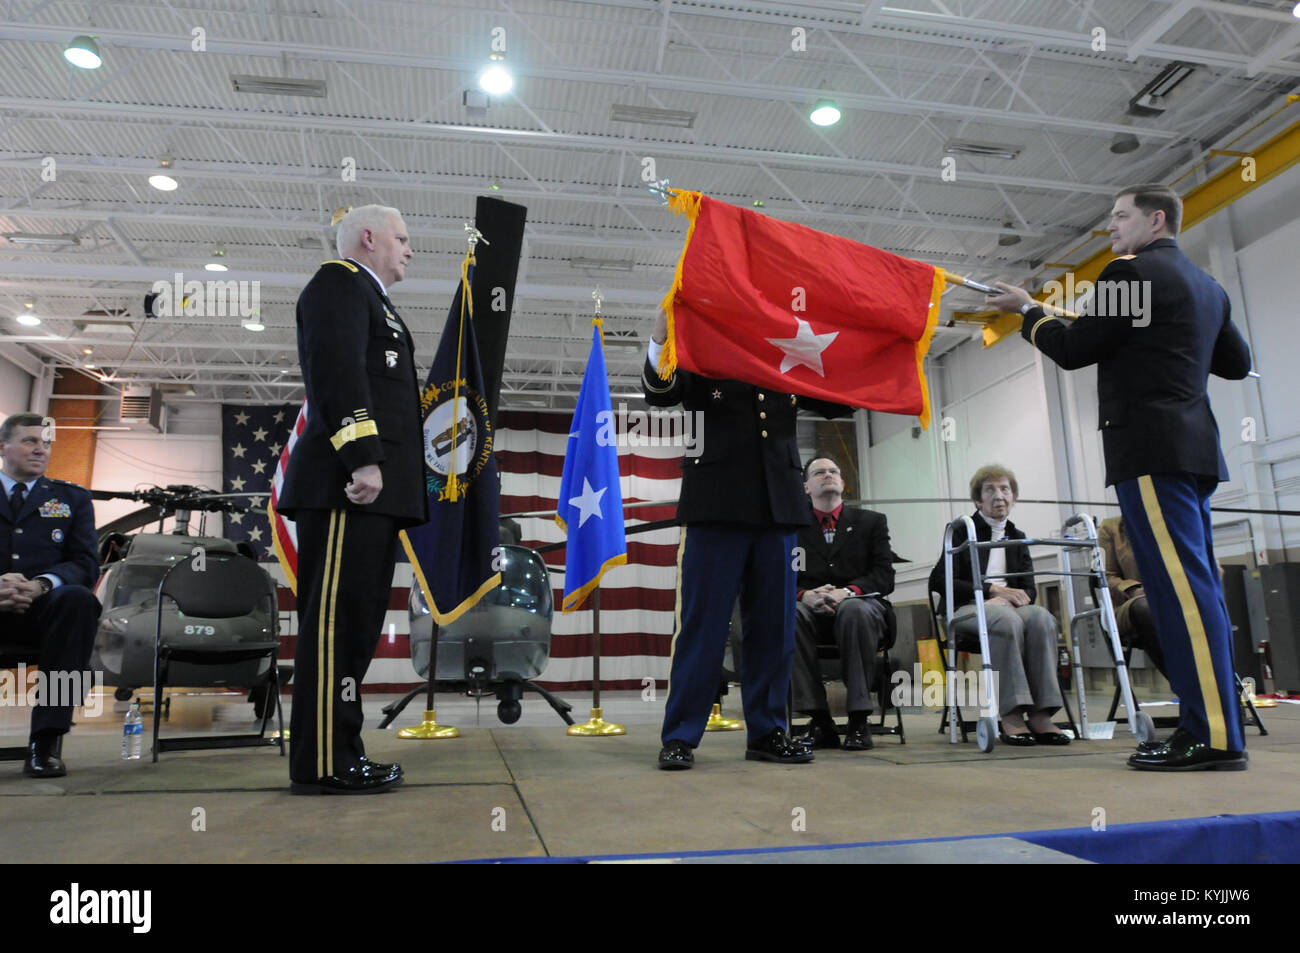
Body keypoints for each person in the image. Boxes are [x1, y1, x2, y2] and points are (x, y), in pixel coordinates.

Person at [990, 182, 1251, 771]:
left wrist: (1028, 313)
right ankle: (1209, 727)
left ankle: (1212, 736)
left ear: (1156, 219)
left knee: (1180, 594)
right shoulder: (1207, 286)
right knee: (1191, 588)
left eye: (1120, 216)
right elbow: (1234, 364)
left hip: (1151, 450)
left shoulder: (1128, 275)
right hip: (1197, 450)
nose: (1110, 227)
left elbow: (1076, 348)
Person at [646, 307, 847, 769]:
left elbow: (840, 402)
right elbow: (660, 393)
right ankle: (681, 735)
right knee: (703, 628)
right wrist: (660, 341)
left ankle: (769, 732)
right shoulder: (702, 350)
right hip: (716, 506)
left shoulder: (789, 358)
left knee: (773, 630)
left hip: (777, 510)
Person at [277, 204, 427, 794]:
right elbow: (336, 372)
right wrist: (362, 454)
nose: (410, 249)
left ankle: (342, 751)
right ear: (369, 238)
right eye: (402, 237)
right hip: (348, 487)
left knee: (357, 627)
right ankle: (323, 762)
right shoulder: (337, 284)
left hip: (371, 494)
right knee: (336, 628)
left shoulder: (374, 300)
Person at [928, 465, 1070, 746]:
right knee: (1006, 619)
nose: (999, 495)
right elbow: (939, 580)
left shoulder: (1017, 535)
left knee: (1041, 618)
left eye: (1005, 489)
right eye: (990, 490)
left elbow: (1029, 588)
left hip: (1008, 609)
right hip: (966, 609)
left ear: (1013, 497)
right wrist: (991, 590)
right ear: (978, 500)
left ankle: (1041, 714)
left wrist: (1010, 599)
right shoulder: (960, 530)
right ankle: (1011, 714)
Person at [0, 412, 101, 778]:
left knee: (78, 600)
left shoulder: (71, 499)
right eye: (30, 441)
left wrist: (41, 584)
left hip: (42, 615)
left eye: (46, 443)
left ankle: (47, 739)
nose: (40, 449)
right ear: (3, 447)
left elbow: (85, 563)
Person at [791, 455, 895, 752]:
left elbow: (884, 576)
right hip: (810, 610)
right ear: (806, 487)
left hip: (860, 607)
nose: (828, 475)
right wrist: (805, 596)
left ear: (843, 483)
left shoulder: (871, 522)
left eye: (834, 471)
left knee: (854, 610)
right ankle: (819, 719)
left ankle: (859, 718)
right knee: (789, 614)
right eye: (819, 472)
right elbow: (780, 578)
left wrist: (846, 592)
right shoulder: (792, 526)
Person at [1097, 516, 1167, 680]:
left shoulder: (1174, 518)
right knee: (1145, 607)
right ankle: (1183, 683)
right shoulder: (1111, 527)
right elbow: (1106, 576)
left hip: (1171, 602)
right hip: (1129, 605)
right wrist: (1133, 589)